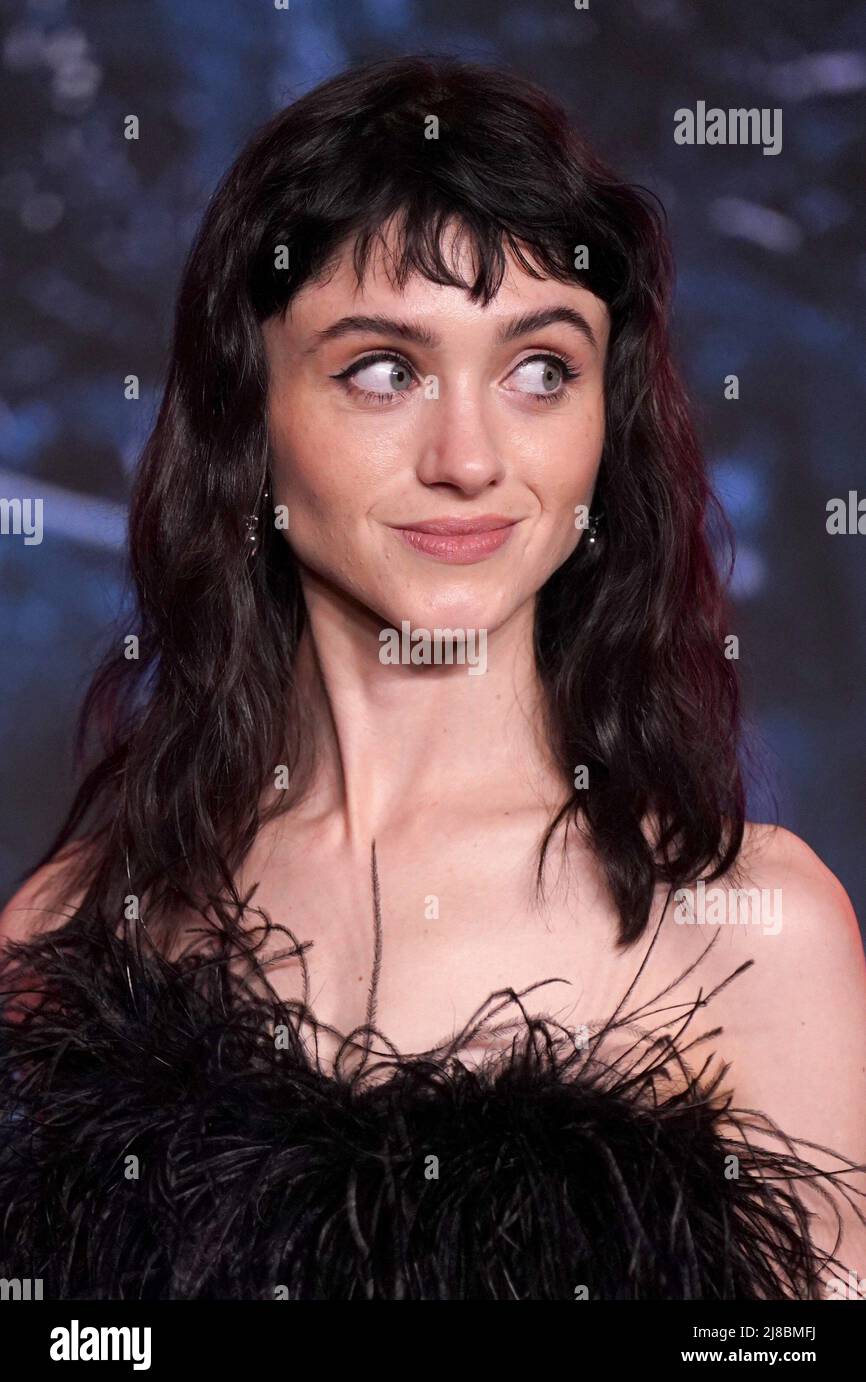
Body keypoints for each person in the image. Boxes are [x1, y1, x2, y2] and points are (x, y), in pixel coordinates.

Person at [1, 54, 865, 1300]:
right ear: (248, 422)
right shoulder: (72, 938)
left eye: (538, 369)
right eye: (383, 369)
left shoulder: (750, 933)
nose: (469, 457)